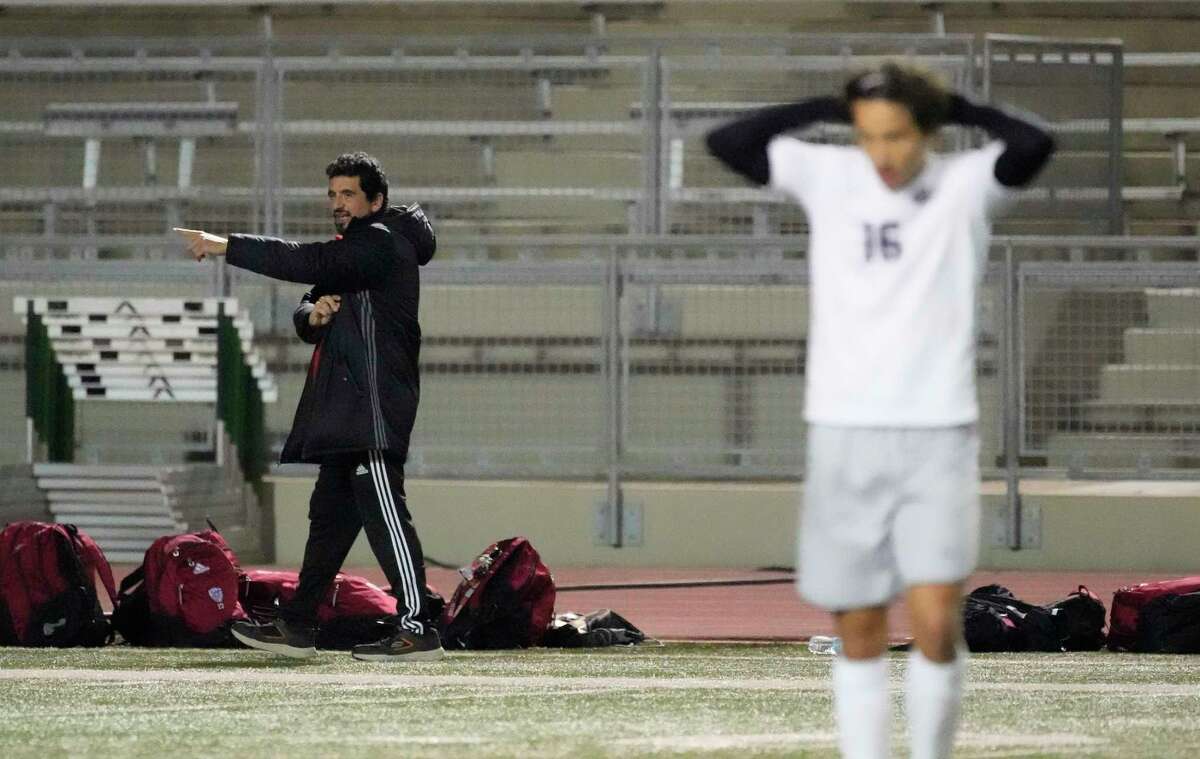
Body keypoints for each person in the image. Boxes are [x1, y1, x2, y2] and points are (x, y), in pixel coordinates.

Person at [706, 63, 1054, 758]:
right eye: (869, 137)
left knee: (933, 619)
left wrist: (951, 105)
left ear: (926, 131)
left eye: (898, 135)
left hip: (938, 431)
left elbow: (1032, 143)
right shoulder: (830, 174)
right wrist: (835, 105)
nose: (883, 154)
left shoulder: (963, 185)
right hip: (843, 428)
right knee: (859, 625)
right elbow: (728, 141)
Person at [175, 151, 442, 662]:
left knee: (385, 511)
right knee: (328, 518)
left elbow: (310, 263)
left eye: (348, 194)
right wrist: (313, 315)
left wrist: (226, 245)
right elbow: (312, 298)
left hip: (375, 407)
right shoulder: (356, 248)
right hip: (347, 408)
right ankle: (299, 624)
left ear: (375, 200)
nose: (337, 203)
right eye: (333, 194)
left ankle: (417, 625)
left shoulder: (381, 245)